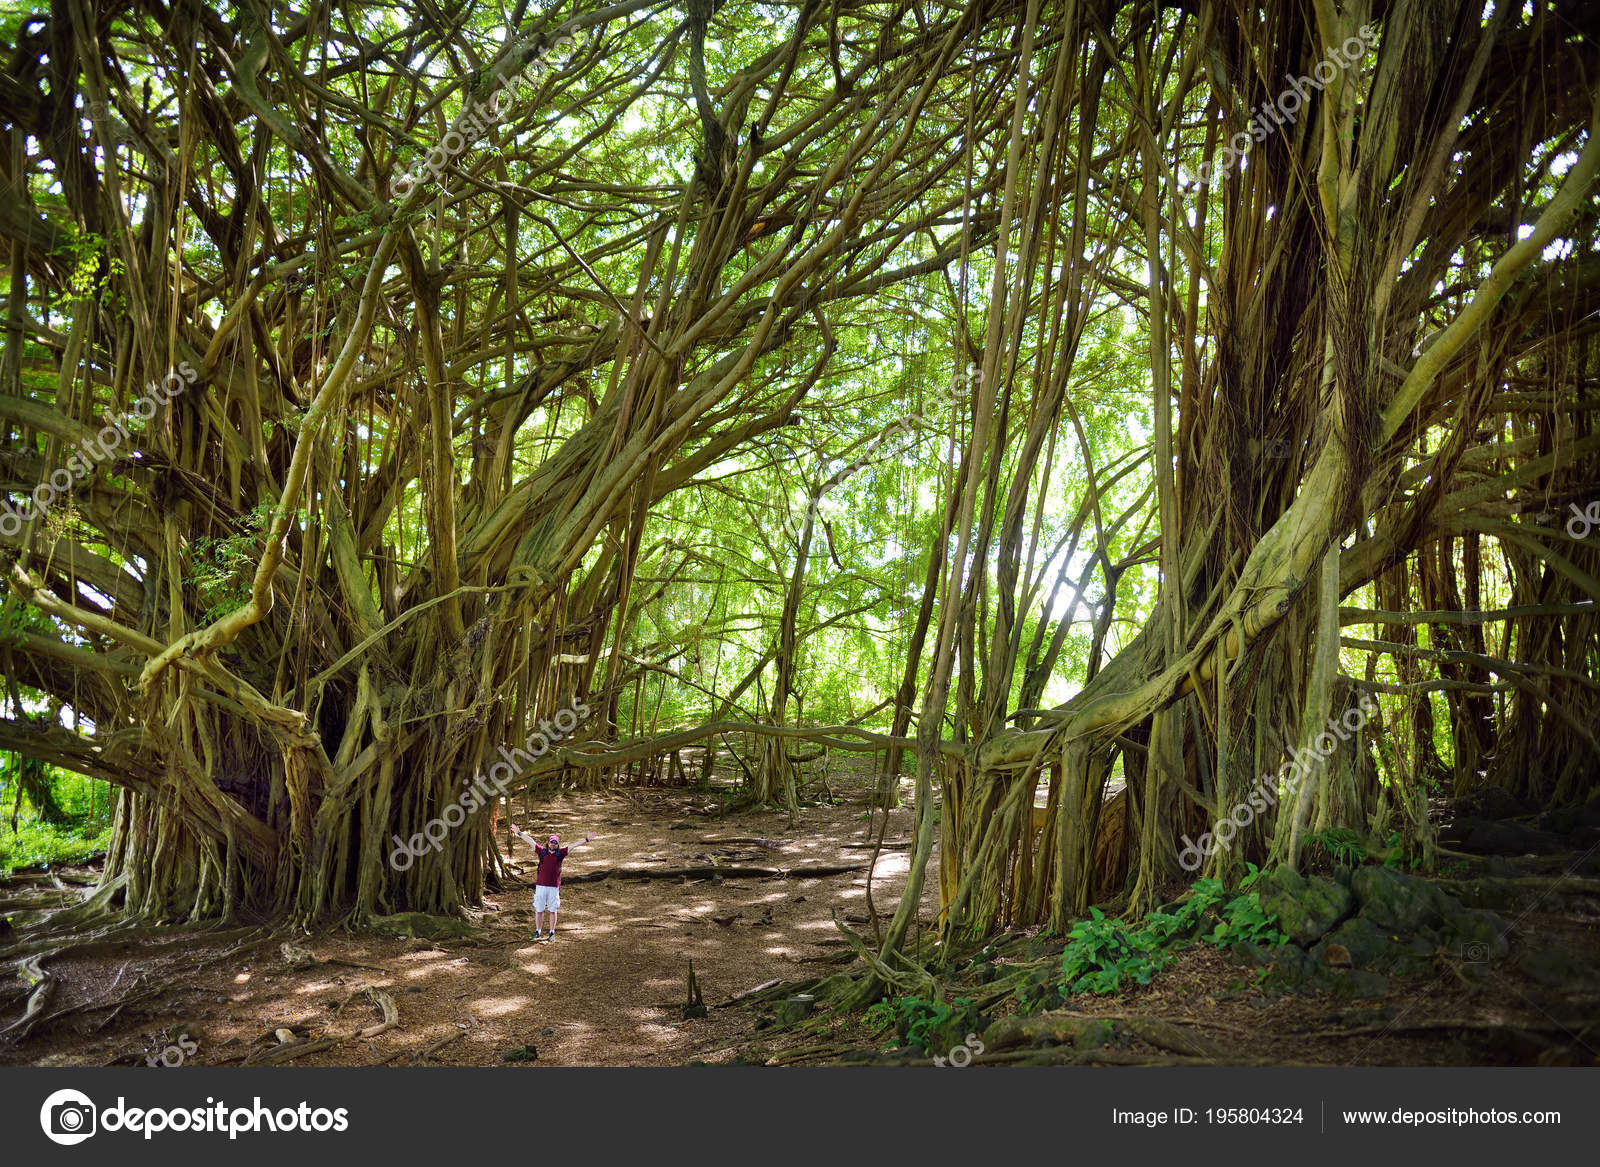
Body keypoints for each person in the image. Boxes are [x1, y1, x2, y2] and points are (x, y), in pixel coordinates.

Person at [514, 827, 590, 940]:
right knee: (539, 909)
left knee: (552, 910)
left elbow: (573, 845)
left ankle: (551, 932)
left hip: (554, 887)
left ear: (557, 845)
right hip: (540, 886)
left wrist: (586, 839)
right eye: (551, 842)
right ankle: (538, 931)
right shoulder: (542, 852)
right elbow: (530, 841)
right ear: (548, 843)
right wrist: (519, 833)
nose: (553, 844)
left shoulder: (560, 854)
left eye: (555, 843)